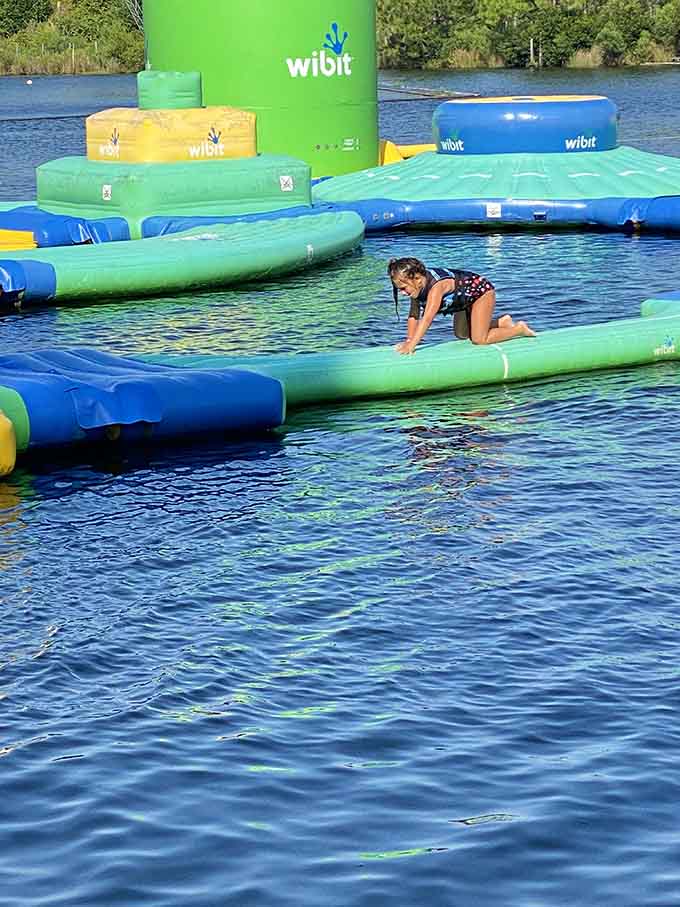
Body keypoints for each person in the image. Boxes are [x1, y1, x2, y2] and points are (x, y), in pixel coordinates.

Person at [387, 257, 536, 355]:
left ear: (418, 278)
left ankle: (519, 329)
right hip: (462, 301)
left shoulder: (436, 286)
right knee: (462, 335)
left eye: (403, 288)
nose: (402, 293)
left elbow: (426, 319)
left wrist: (412, 346)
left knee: (479, 339)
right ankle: (502, 322)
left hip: (480, 292)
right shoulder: (416, 288)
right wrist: (408, 340)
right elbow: (414, 315)